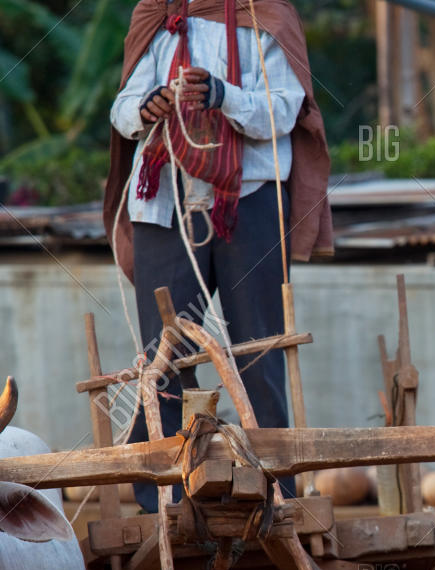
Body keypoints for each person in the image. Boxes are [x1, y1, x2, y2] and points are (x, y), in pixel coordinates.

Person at [103, 0, 333, 510]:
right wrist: (148, 107)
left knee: (258, 349)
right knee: (162, 355)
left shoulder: (266, 14)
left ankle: (274, 491)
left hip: (249, 198)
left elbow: (285, 109)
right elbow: (122, 111)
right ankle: (161, 501)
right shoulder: (160, 15)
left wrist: (223, 95)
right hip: (165, 200)